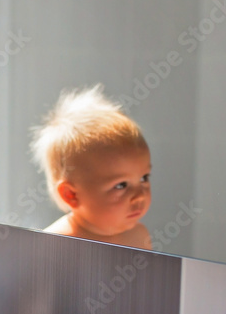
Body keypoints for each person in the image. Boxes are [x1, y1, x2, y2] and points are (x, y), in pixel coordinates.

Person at [30, 85, 152, 249]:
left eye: (144, 178)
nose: (140, 196)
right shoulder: (55, 243)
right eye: (121, 185)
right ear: (71, 195)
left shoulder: (138, 236)